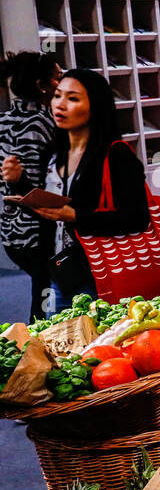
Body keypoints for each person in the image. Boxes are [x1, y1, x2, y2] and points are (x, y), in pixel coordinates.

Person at [35, 70, 151, 309]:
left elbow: (138, 219)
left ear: (95, 106)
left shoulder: (115, 155)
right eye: (57, 96)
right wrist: (18, 185)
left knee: (99, 341)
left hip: (102, 271)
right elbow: (48, 215)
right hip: (60, 269)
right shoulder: (52, 154)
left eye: (73, 98)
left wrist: (76, 216)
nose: (60, 104)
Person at [0, 51, 61, 321]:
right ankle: (36, 352)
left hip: (11, 230)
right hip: (39, 230)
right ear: (42, 85)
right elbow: (38, 190)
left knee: (43, 291)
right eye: (58, 77)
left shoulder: (3, 120)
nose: (63, 82)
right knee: (47, 297)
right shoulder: (43, 124)